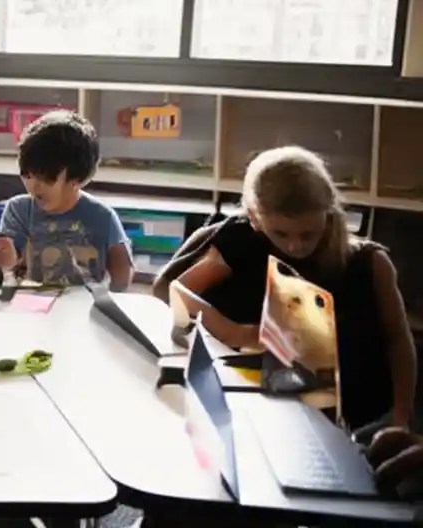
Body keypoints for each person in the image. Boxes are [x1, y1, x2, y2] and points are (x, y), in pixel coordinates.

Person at [156, 146, 416, 431]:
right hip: (257, 411)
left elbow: (398, 343)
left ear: (328, 216)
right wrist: (236, 331)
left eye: (308, 234)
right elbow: (175, 290)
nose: (295, 246)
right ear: (255, 217)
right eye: (281, 233)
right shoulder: (240, 242)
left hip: (356, 420)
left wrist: (401, 421)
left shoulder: (370, 264)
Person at [0, 111, 133, 288]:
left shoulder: (102, 217)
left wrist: (112, 301)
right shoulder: (19, 210)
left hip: (82, 309)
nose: (34, 186)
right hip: (30, 307)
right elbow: (7, 266)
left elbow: (122, 272)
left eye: (47, 179)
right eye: (27, 175)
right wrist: (0, 263)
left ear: (76, 179)